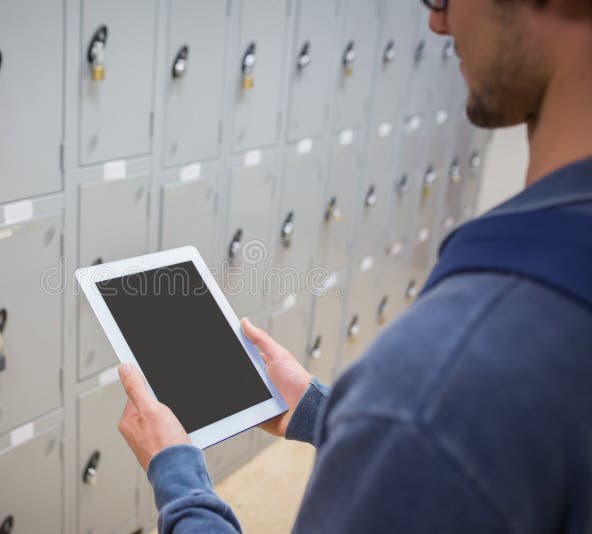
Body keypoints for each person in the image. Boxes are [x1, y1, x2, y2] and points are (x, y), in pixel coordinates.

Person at [117, 0, 592, 531]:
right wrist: (326, 413)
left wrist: (177, 476)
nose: (438, 21)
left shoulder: (439, 387)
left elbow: (432, 429)